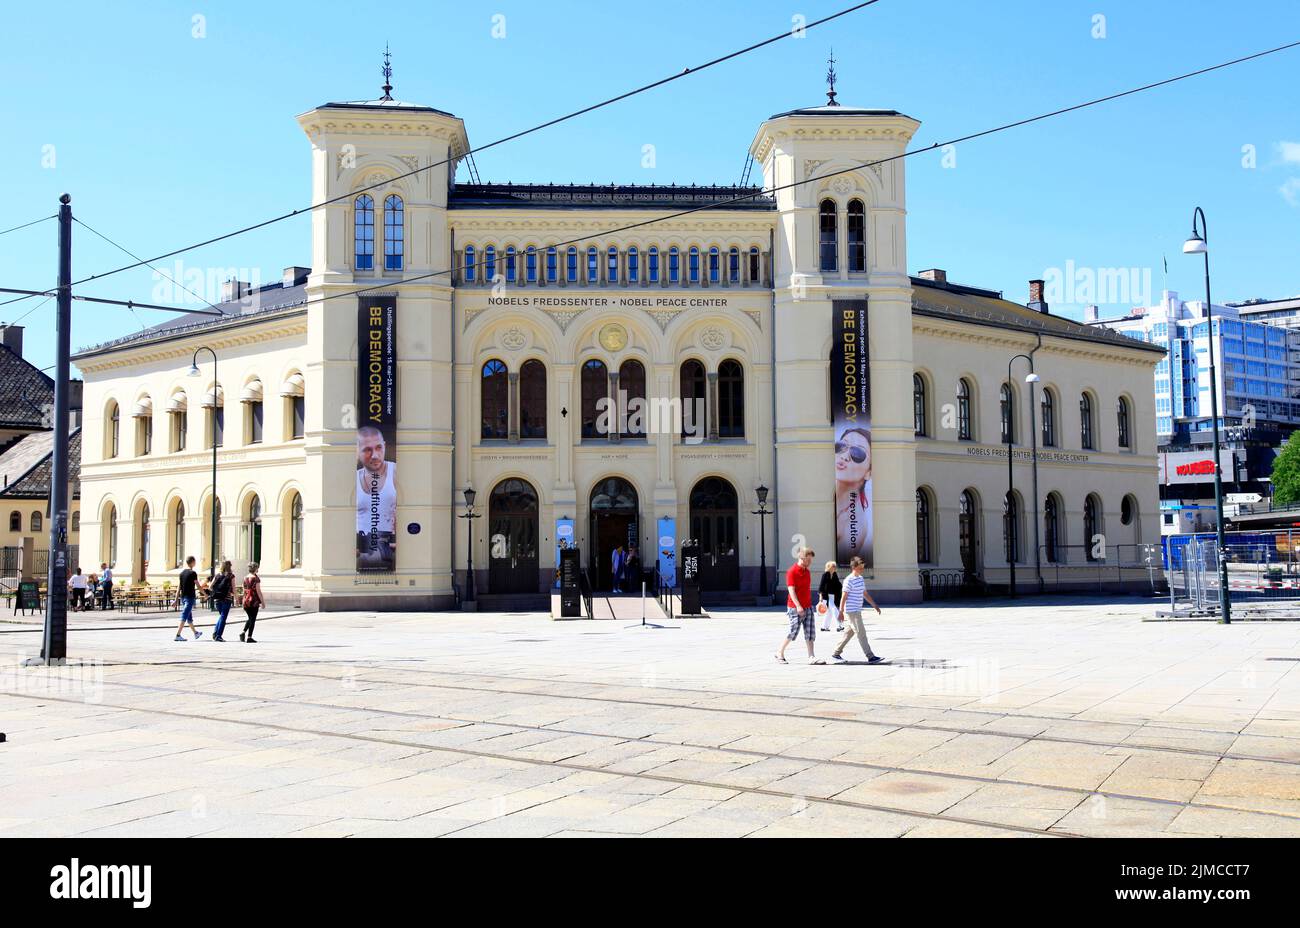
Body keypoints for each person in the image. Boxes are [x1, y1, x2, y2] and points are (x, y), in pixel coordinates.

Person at [355, 425, 397, 570]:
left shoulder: (396, 472)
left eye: (379, 447)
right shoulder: (352, 480)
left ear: (384, 446)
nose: (375, 455)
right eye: (367, 449)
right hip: (359, 555)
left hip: (390, 552)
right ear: (356, 451)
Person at [831, 556, 884, 664]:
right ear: (854, 567)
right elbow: (843, 597)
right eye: (860, 568)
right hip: (851, 611)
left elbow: (865, 594)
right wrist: (841, 611)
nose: (862, 570)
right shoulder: (848, 580)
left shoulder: (860, 579)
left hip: (857, 610)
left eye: (863, 568)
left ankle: (836, 653)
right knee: (861, 633)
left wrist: (874, 605)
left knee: (848, 634)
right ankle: (870, 656)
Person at [777, 547, 824, 665]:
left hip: (808, 606)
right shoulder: (792, 571)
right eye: (808, 560)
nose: (810, 562)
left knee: (810, 632)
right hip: (794, 607)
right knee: (793, 631)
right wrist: (798, 606)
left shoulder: (807, 572)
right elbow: (791, 591)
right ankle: (779, 653)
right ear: (801, 558)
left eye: (811, 560)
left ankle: (811, 657)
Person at [834, 427, 873, 566]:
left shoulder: (857, 524)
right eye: (841, 446)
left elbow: (843, 570)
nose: (844, 456)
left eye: (857, 453)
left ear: (869, 472)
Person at [173, 556, 203, 642]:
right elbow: (198, 586)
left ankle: (195, 633)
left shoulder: (181, 573)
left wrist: (176, 599)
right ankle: (178, 635)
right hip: (190, 598)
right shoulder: (193, 573)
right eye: (195, 562)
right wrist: (205, 594)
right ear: (192, 562)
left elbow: (179, 588)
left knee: (189, 617)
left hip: (183, 597)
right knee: (185, 615)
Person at [210, 560, 235, 642]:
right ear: (229, 567)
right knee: (223, 618)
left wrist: (216, 591)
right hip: (226, 599)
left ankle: (215, 633)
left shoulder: (217, 575)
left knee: (222, 617)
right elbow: (234, 589)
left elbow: (210, 586)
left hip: (217, 600)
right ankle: (218, 636)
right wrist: (237, 599)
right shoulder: (231, 576)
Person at [240, 561, 265, 643]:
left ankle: (243, 632)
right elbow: (258, 591)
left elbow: (243, 590)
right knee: (252, 619)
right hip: (253, 600)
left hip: (246, 600)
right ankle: (249, 637)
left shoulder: (245, 577)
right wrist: (262, 602)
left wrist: (243, 600)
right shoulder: (255, 578)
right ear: (256, 569)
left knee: (250, 618)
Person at [817, 561, 843, 632]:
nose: (834, 568)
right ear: (829, 567)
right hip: (826, 596)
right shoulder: (825, 575)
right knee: (834, 609)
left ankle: (824, 627)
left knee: (829, 612)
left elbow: (838, 584)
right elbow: (821, 586)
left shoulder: (834, 575)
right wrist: (820, 596)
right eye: (833, 566)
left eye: (835, 566)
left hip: (833, 595)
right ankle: (840, 625)